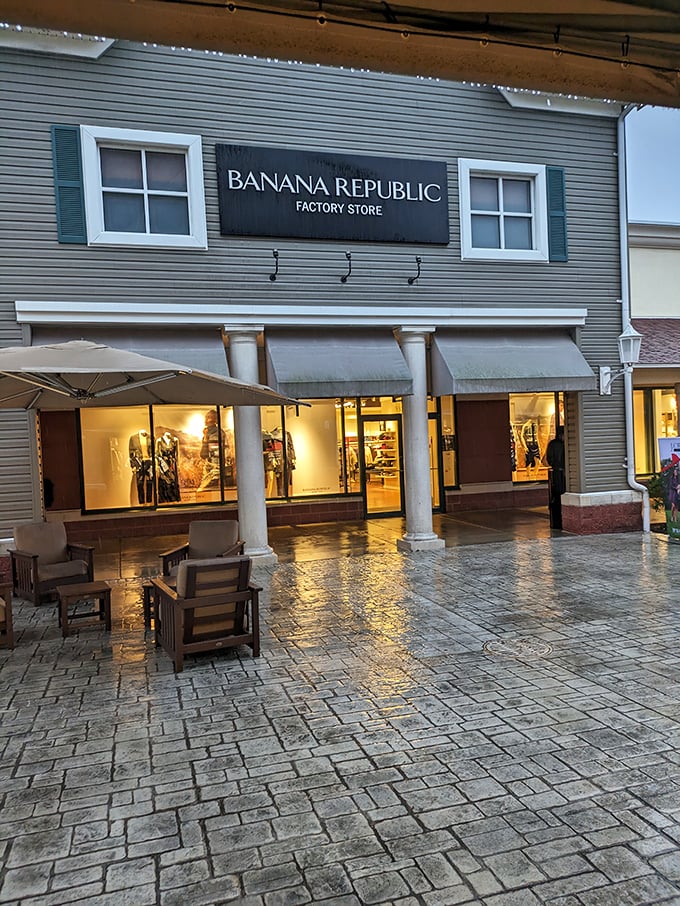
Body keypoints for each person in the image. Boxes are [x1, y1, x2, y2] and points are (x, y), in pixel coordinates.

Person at [546, 426, 565, 529]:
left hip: (556, 474)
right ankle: (558, 521)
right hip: (560, 474)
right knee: (559, 496)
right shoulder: (562, 445)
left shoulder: (552, 444)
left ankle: (556, 521)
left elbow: (549, 459)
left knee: (556, 497)